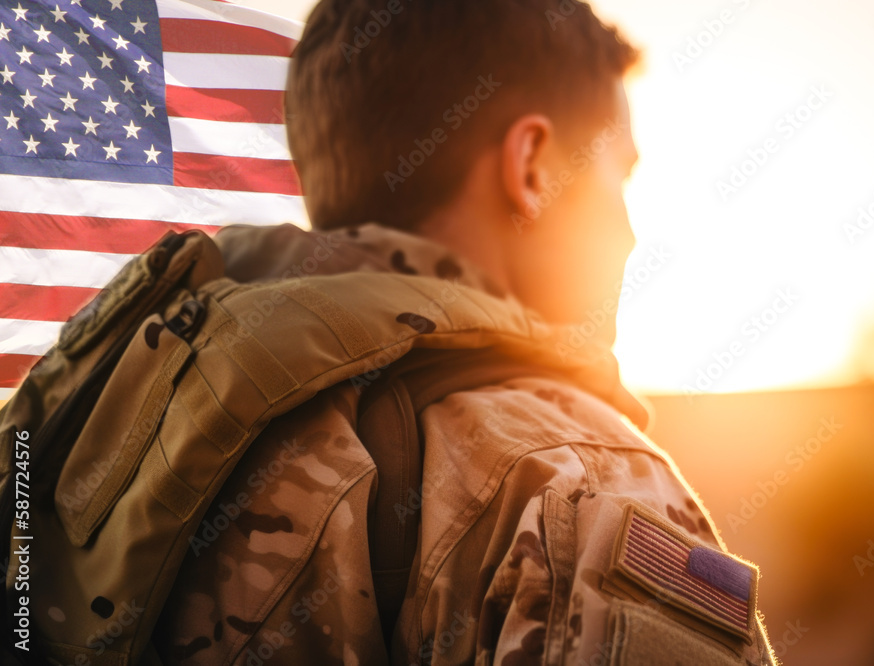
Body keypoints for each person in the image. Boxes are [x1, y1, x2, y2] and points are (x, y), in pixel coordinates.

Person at [150, 1, 778, 663]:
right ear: (533, 166)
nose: (628, 230)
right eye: (617, 174)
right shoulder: (580, 482)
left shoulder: (160, 405)